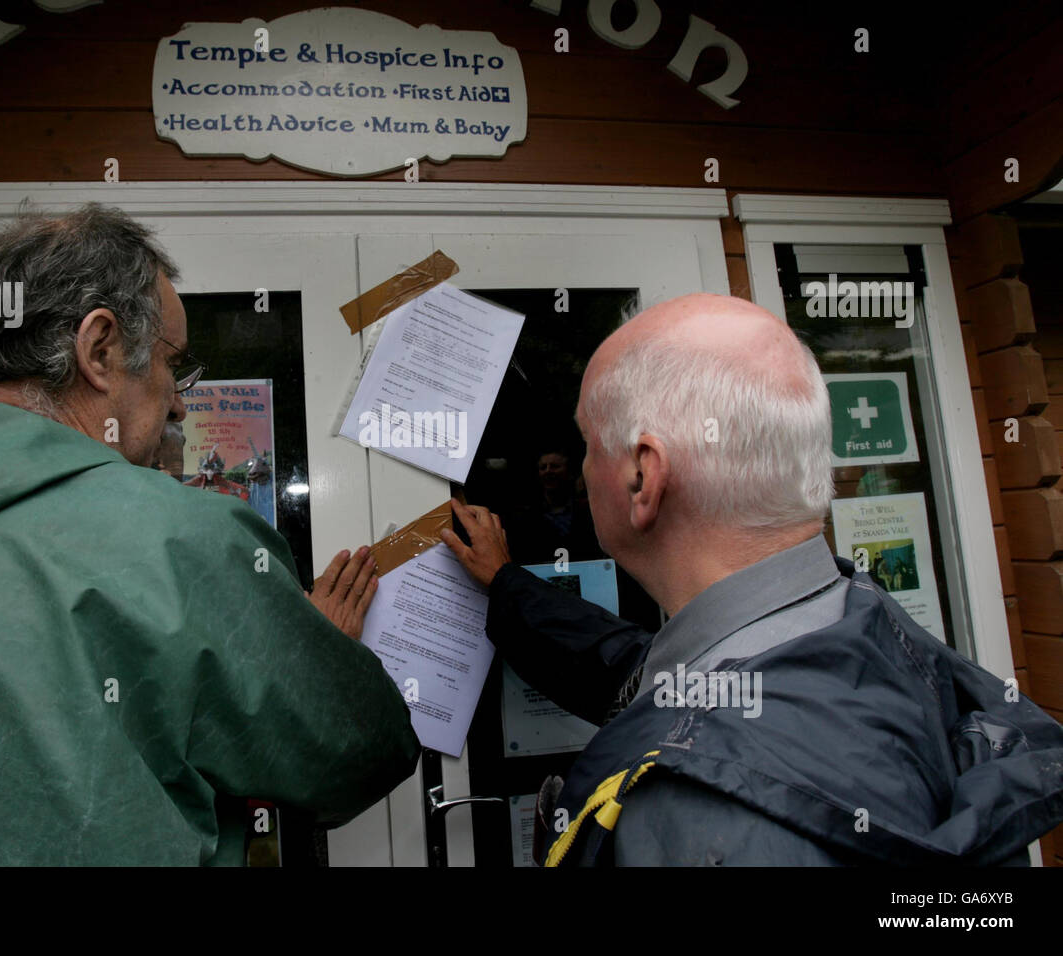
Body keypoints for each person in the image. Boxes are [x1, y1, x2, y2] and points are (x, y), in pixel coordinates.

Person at [0, 203, 419, 865]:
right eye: (175, 366)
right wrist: (321, 661)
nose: (183, 401)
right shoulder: (172, 541)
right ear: (100, 349)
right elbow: (361, 753)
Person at [442, 292, 1063, 866]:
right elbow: (647, 677)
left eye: (587, 443)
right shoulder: (850, 622)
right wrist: (507, 585)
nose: (580, 468)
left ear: (642, 477)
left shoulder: (701, 815)